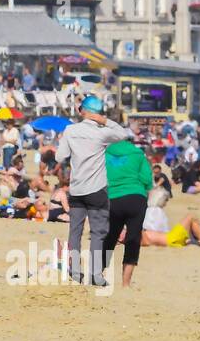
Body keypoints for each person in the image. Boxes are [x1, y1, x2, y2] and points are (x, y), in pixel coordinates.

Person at [54, 94, 129, 286]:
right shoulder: (102, 133)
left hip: (77, 189)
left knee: (75, 231)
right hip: (97, 189)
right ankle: (95, 274)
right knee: (98, 232)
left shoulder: (70, 130)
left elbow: (60, 157)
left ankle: (75, 271)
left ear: (84, 111)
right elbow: (123, 134)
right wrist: (104, 121)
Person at [103, 130, 152, 288]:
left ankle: (97, 273)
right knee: (133, 239)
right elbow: (146, 179)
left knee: (110, 237)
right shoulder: (137, 154)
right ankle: (125, 283)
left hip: (113, 198)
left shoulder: (105, 154)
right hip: (136, 197)